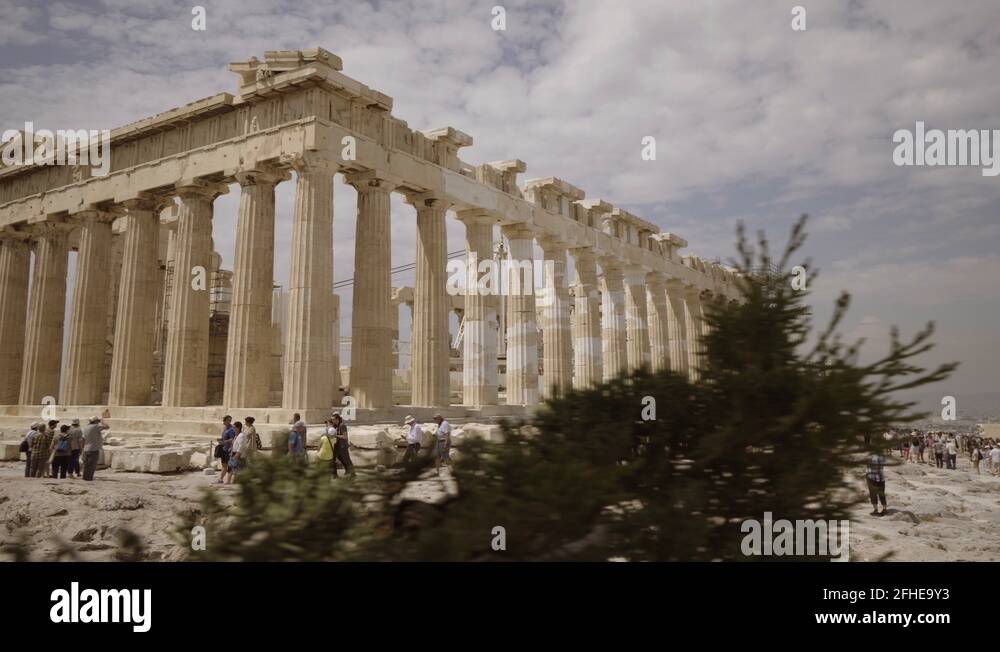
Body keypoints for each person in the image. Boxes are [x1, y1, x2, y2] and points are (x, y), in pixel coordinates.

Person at [82, 416, 108, 481]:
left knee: (86, 465)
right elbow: (107, 427)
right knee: (92, 465)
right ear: (96, 421)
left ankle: (85, 477)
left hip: (86, 448)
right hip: (93, 449)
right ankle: (89, 478)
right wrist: (102, 421)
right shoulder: (96, 427)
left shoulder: (86, 427)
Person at [329, 412, 355, 479]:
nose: (332, 421)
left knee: (347, 460)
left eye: (333, 419)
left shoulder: (342, 425)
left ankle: (353, 473)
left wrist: (335, 435)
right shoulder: (336, 426)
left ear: (337, 419)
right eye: (332, 419)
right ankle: (336, 474)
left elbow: (345, 436)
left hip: (343, 446)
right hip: (338, 446)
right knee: (337, 459)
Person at [865, 452, 887, 517]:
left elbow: (874, 467)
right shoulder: (882, 455)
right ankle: (884, 509)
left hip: (872, 477)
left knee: (873, 494)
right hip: (881, 477)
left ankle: (876, 509)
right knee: (881, 494)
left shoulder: (873, 456)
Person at [217, 415, 236, 484]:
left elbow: (232, 439)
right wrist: (221, 440)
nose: (229, 421)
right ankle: (221, 479)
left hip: (228, 449)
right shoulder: (225, 428)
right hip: (224, 449)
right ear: (224, 420)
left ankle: (227, 480)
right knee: (224, 465)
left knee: (229, 465)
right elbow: (225, 437)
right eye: (228, 420)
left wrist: (224, 442)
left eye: (230, 420)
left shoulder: (231, 429)